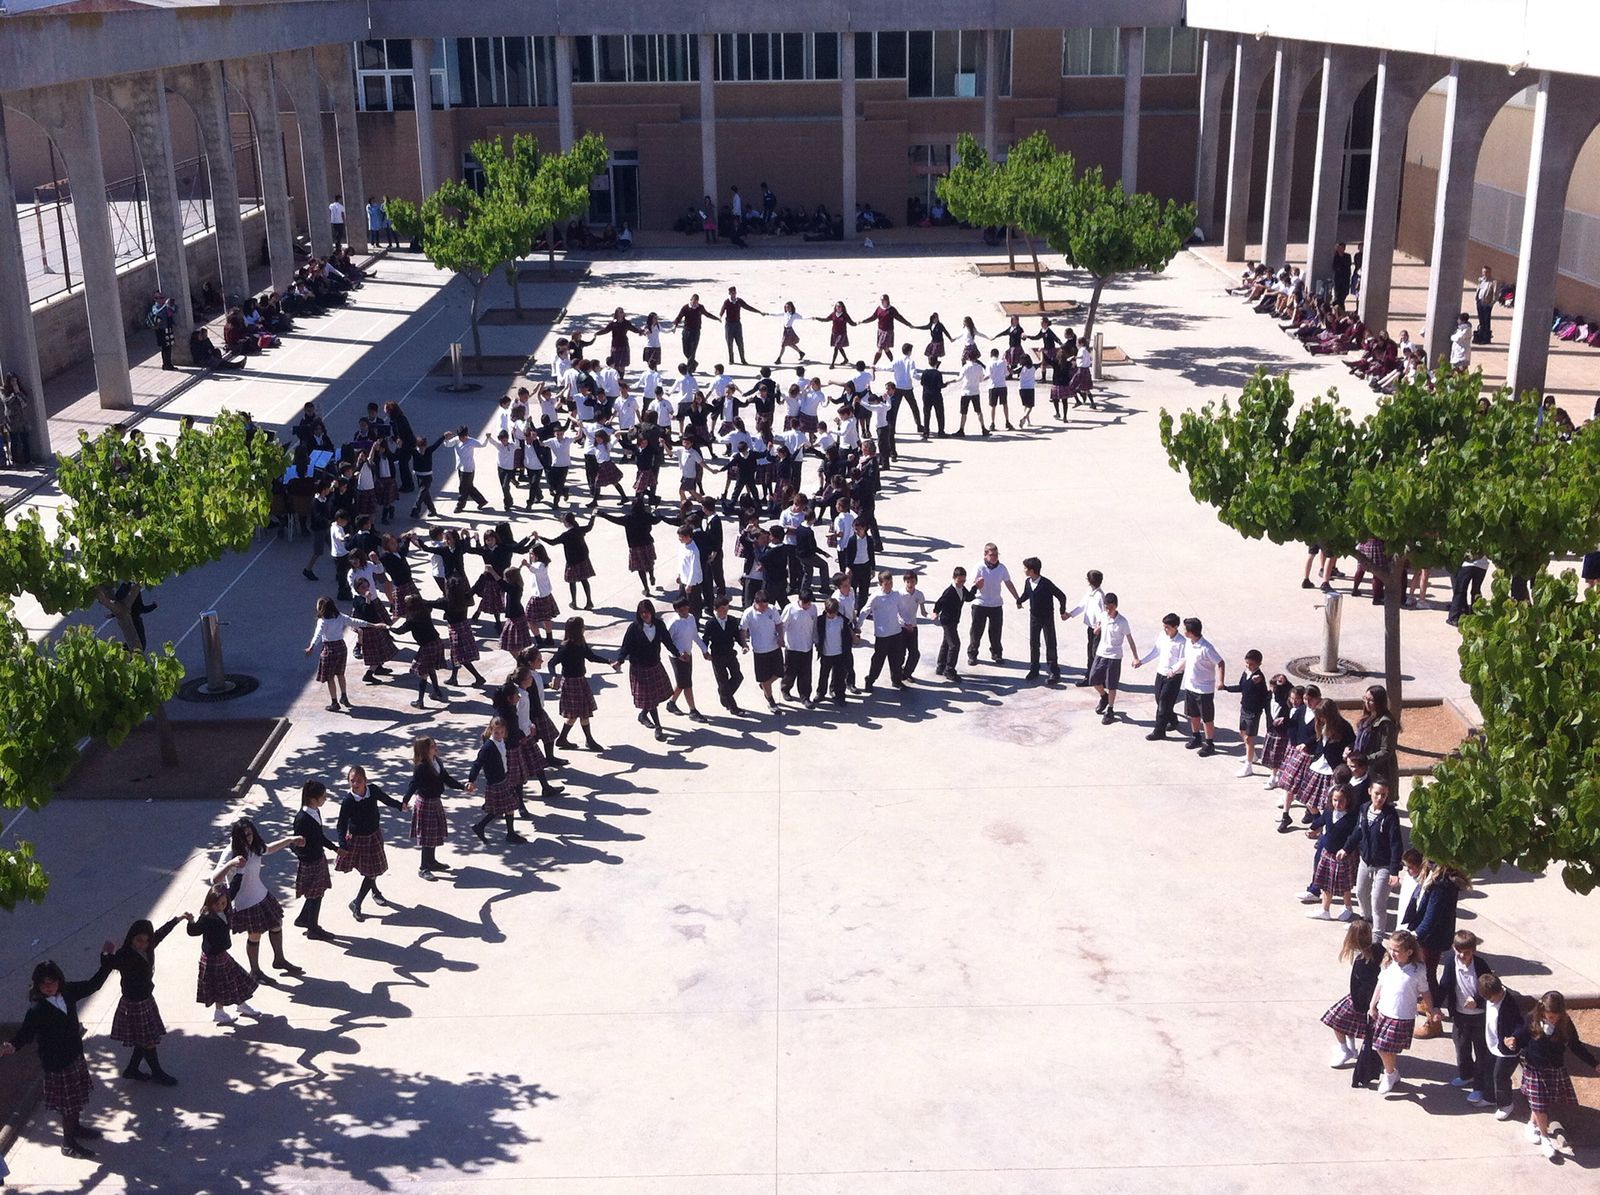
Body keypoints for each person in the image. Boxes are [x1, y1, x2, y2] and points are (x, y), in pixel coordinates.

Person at [209, 817, 303, 982]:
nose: (248, 838)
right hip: (245, 902)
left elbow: (269, 849)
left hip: (261, 894)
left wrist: (290, 840)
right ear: (237, 836)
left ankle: (279, 960)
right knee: (255, 935)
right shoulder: (230, 851)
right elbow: (214, 879)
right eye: (244, 835)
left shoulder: (255, 846)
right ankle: (255, 971)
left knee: (277, 924)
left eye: (250, 834)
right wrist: (231, 863)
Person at [1507, 990, 1596, 1159]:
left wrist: (1594, 1063)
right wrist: (1512, 1041)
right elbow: (1520, 1036)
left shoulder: (1565, 1023)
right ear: (1542, 1010)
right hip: (1535, 1069)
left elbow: (1575, 1046)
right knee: (1540, 1104)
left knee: (1542, 1103)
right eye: (1549, 1016)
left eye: (1556, 1017)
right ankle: (1545, 1137)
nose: (1552, 1019)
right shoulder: (1532, 1020)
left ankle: (1531, 1124)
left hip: (1554, 1070)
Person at [105, 916, 188, 1086]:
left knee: (144, 1039)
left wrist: (177, 920)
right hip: (134, 1004)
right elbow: (109, 963)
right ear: (131, 938)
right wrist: (106, 952)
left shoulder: (148, 950)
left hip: (146, 1001)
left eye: (146, 941)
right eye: (139, 940)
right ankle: (157, 1072)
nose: (142, 944)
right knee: (148, 1040)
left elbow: (160, 934)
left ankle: (132, 1069)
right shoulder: (125, 955)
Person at [1367, 928, 1435, 1093]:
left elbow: (1425, 990)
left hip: (1402, 1015)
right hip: (1384, 1011)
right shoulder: (1388, 963)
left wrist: (1431, 1009)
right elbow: (1380, 984)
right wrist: (1372, 1005)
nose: (1392, 953)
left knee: (1383, 1047)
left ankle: (1390, 1073)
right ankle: (1392, 1072)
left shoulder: (1418, 970)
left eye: (1396, 950)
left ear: (1409, 951)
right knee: (1384, 1047)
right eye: (1391, 948)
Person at [334, 764, 403, 921]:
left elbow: (385, 799)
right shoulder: (348, 801)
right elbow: (341, 824)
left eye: (359, 780)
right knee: (370, 872)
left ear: (365, 780)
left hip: (374, 836)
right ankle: (357, 903)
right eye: (352, 781)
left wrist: (400, 805)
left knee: (373, 870)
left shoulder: (373, 791)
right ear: (348, 781)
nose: (356, 784)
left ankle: (373, 892)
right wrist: (342, 844)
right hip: (357, 840)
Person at [188, 887, 262, 1027]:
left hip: (222, 954)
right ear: (209, 903)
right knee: (220, 986)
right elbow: (194, 931)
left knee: (236, 978)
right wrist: (192, 921)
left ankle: (241, 1004)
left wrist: (239, 869)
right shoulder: (207, 917)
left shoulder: (225, 912)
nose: (220, 906)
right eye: (217, 904)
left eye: (223, 903)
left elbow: (233, 888)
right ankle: (219, 1012)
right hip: (212, 958)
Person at [1437, 930, 1494, 1103]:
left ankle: (1479, 1086)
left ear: (1474, 950)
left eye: (1467, 952)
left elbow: (1490, 987)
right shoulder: (1450, 962)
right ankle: (1466, 1074)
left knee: (1481, 1051)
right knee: (1461, 1046)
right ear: (1454, 949)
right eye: (1459, 951)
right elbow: (1445, 985)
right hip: (1460, 1016)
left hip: (1479, 1017)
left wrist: (1477, 1000)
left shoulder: (1481, 965)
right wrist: (1435, 1006)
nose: (1463, 956)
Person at [1320, 916, 1382, 1068]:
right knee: (1347, 1025)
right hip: (1373, 999)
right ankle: (1352, 1048)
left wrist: (1361, 1005)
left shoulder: (1362, 960)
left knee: (1335, 1020)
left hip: (1360, 1001)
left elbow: (1364, 986)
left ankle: (1344, 1049)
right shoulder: (1379, 949)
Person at [404, 736, 472, 875]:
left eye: (435, 744)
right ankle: (423, 867)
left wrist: (462, 787)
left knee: (434, 833)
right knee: (426, 836)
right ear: (425, 750)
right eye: (432, 746)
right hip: (425, 803)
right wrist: (405, 800)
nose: (436, 747)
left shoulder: (437, 762)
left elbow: (446, 779)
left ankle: (432, 861)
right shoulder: (421, 767)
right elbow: (413, 784)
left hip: (435, 801)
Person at [614, 600, 674, 740]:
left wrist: (677, 654)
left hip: (654, 664)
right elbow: (626, 647)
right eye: (642, 613)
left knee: (653, 697)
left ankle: (643, 715)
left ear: (652, 611)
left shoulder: (659, 625)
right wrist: (620, 660)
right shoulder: (634, 628)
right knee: (651, 699)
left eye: (647, 612)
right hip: (639, 668)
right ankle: (658, 727)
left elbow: (668, 642)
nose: (645, 615)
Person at [548, 616, 607, 750]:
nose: (584, 627)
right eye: (582, 626)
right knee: (579, 713)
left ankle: (564, 739)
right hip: (571, 683)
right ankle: (587, 740)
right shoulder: (566, 647)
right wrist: (554, 676)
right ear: (577, 629)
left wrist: (608, 661)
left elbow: (591, 657)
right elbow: (552, 663)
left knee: (580, 713)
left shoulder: (581, 643)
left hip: (580, 680)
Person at [1352, 780, 1404, 935]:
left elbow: (1396, 844)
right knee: (1361, 892)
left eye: (1384, 795)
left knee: (1377, 900)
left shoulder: (1390, 816)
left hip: (1384, 865)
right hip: (1365, 860)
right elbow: (1358, 831)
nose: (1380, 798)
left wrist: (1394, 871)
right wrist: (1346, 848)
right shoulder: (1364, 808)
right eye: (1377, 793)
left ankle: (1378, 934)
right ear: (1369, 791)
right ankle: (1366, 919)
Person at [290, 780, 340, 938]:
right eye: (323, 796)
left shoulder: (315, 812)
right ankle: (313, 928)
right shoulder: (302, 819)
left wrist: (335, 848)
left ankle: (304, 918)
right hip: (310, 862)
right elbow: (295, 843)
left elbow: (320, 837)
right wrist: (303, 853)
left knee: (317, 892)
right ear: (313, 799)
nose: (325, 799)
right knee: (316, 894)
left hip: (318, 858)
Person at [468, 717, 526, 843]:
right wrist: (471, 780)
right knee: (499, 809)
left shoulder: (501, 742)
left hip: (503, 779)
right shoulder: (488, 747)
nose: (499, 735)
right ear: (491, 731)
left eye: (501, 732)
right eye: (496, 733)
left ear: (505, 732)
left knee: (508, 807)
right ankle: (481, 827)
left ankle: (508, 833)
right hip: (495, 783)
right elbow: (477, 764)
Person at [1478, 972, 1526, 1122]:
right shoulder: (1488, 999)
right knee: (1489, 1069)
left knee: (1501, 1076)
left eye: (1494, 996)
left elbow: (1521, 1024)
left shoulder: (1509, 1003)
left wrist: (1515, 1037)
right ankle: (1490, 1097)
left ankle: (1506, 1105)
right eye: (1489, 998)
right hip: (1492, 1043)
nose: (1492, 1000)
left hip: (1507, 1050)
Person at [1178, 617, 1226, 756]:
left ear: (1191, 632)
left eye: (1185, 630)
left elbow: (1220, 663)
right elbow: (1186, 659)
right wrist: (1174, 669)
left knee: (1207, 718)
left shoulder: (1206, 648)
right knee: (1193, 715)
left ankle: (1209, 743)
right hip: (1190, 686)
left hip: (1204, 690)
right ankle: (1196, 737)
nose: (1183, 632)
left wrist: (1220, 681)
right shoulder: (1189, 643)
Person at [1016, 557, 1067, 684]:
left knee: (1050, 643)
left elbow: (1061, 596)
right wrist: (1019, 600)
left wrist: (1062, 610)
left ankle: (1054, 671)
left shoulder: (1046, 583)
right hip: (1034, 617)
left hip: (1047, 617)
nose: (1024, 570)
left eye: (1026, 568)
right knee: (1034, 643)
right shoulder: (1028, 582)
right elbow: (1027, 594)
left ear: (1032, 570)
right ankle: (1034, 668)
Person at [1088, 592, 1139, 720]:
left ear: (1116, 606)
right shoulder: (1103, 615)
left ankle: (1110, 709)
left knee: (1111, 684)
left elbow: (1130, 639)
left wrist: (1135, 657)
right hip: (1101, 653)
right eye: (1106, 607)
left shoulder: (1122, 622)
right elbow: (1098, 626)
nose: (1108, 610)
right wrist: (1097, 629)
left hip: (1114, 656)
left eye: (1110, 607)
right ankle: (1103, 697)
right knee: (1093, 679)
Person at [967, 543, 1019, 667]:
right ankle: (972, 654)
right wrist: (976, 584)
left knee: (996, 631)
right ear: (985, 555)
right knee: (976, 631)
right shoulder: (979, 567)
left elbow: (1008, 583)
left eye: (996, 554)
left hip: (996, 604)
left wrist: (1017, 598)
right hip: (980, 604)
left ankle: (996, 654)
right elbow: (971, 584)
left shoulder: (1001, 568)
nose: (995, 557)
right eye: (992, 555)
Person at [860, 571, 909, 691]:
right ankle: (870, 680)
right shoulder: (876, 597)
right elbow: (865, 611)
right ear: (880, 584)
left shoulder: (896, 595)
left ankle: (896, 681)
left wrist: (907, 622)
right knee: (878, 661)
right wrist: (858, 625)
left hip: (896, 632)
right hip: (882, 635)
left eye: (891, 583)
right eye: (886, 583)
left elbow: (902, 610)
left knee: (896, 660)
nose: (889, 586)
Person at [664, 596, 711, 721]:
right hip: (677, 658)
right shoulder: (673, 623)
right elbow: (667, 642)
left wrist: (705, 650)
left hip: (688, 655)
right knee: (687, 684)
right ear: (676, 610)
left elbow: (695, 636)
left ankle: (671, 703)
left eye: (686, 607)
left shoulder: (691, 618)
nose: (685, 610)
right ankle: (693, 710)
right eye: (681, 608)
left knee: (683, 682)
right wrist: (679, 654)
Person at [702, 593, 748, 715]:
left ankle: (723, 694)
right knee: (723, 681)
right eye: (723, 609)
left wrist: (743, 645)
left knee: (738, 677)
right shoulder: (710, 624)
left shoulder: (732, 621)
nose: (725, 611)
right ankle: (733, 708)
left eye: (727, 608)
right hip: (717, 657)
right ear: (716, 609)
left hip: (730, 654)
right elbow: (705, 639)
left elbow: (737, 636)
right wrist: (705, 652)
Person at [740, 589, 784, 712]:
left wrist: (781, 637)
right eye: (762, 606)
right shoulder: (748, 613)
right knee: (764, 677)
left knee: (780, 672)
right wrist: (744, 644)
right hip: (760, 651)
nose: (765, 608)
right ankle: (770, 700)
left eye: (766, 605)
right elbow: (743, 630)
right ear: (756, 602)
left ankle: (765, 685)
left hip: (774, 647)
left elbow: (779, 624)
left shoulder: (772, 609)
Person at [1145, 613, 1186, 740]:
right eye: (1164, 626)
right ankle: (1173, 720)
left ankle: (1159, 731)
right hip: (1160, 673)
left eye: (1167, 627)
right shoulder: (1162, 635)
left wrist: (1173, 670)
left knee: (1163, 702)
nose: (1165, 629)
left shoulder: (1182, 642)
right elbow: (1156, 651)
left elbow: (1184, 660)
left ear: (1175, 627)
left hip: (1174, 676)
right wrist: (1142, 661)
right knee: (1159, 699)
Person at [933, 566, 974, 682]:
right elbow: (939, 603)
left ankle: (941, 666)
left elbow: (969, 597)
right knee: (954, 645)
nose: (961, 583)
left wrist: (976, 587)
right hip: (947, 621)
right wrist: (935, 612)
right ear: (954, 578)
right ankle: (949, 670)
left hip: (954, 621)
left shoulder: (961, 588)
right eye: (959, 581)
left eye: (963, 581)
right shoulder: (949, 591)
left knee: (946, 643)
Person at [1235, 649, 1269, 777]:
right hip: (1244, 708)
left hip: (1254, 711)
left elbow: (1259, 691)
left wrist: (1255, 682)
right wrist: (1226, 688)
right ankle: (1252, 755)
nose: (1249, 666)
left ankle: (1248, 766)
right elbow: (1241, 687)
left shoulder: (1258, 677)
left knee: (1249, 738)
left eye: (1252, 664)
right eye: (1247, 664)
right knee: (1242, 733)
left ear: (1259, 664)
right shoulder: (1246, 673)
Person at [1473, 266, 1496, 344]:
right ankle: (1480, 336)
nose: (1484, 274)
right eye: (1483, 272)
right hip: (1479, 302)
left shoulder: (1493, 282)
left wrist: (1491, 304)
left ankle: (1486, 338)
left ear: (1489, 272)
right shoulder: (1481, 280)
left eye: (1486, 272)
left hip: (1487, 303)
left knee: (1486, 321)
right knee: (1481, 320)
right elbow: (1479, 289)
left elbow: (1495, 294)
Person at [1330, 242, 1353, 309]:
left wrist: (1340, 267)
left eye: (1342, 248)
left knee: (1344, 294)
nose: (1340, 249)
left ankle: (1339, 307)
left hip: (1345, 279)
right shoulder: (1335, 256)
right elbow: (1334, 267)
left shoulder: (1347, 256)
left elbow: (1347, 265)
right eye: (1339, 248)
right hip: (1337, 279)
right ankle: (1340, 309)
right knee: (1338, 295)